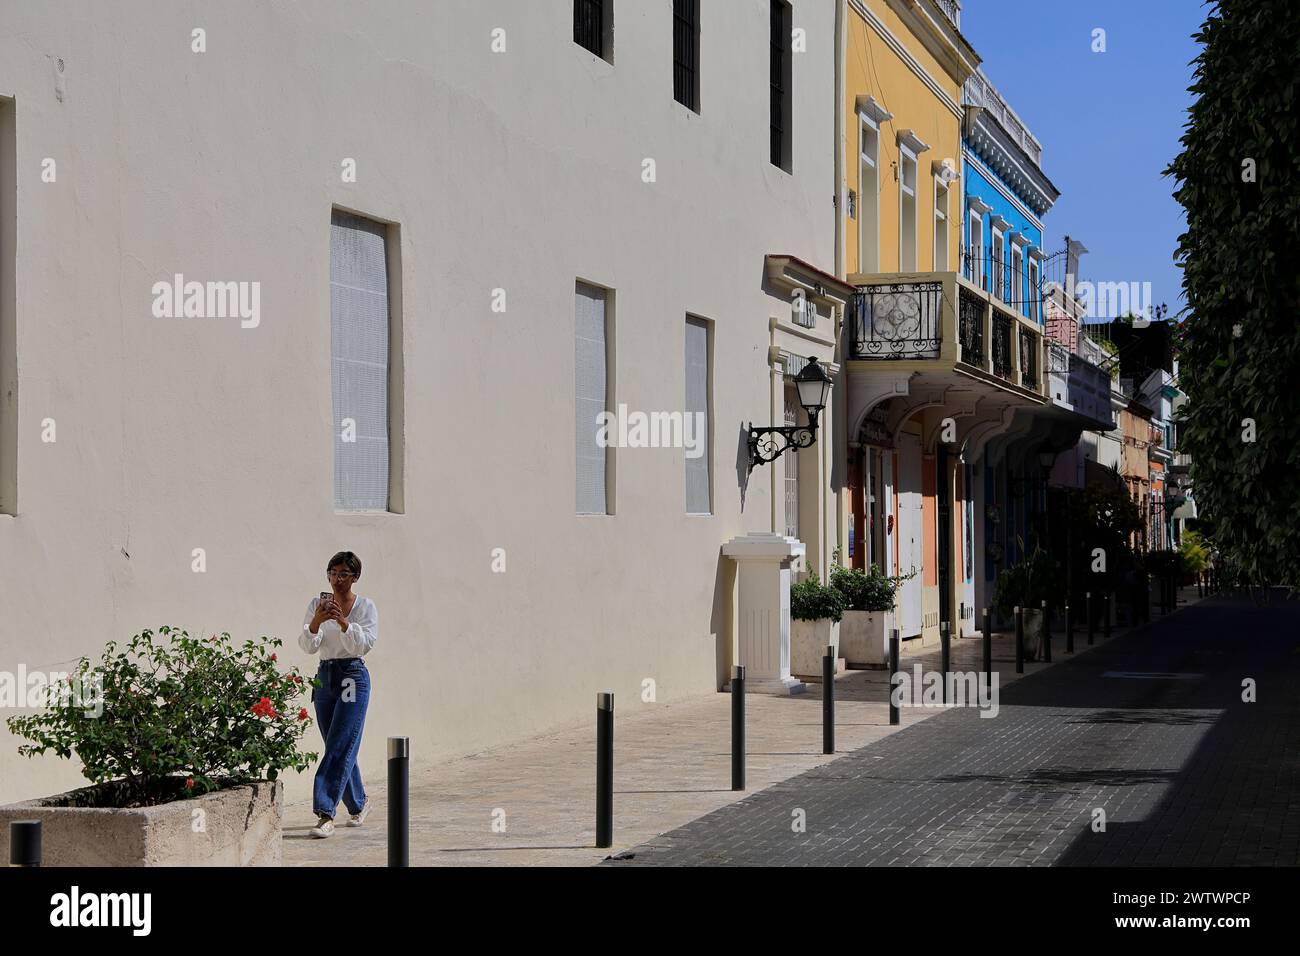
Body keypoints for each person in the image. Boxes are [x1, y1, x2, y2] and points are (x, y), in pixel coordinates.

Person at [298, 550, 378, 838]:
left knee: (340, 744)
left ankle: (325, 812)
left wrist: (343, 622)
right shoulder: (316, 604)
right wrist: (317, 621)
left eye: (344, 574)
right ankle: (359, 803)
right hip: (325, 676)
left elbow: (364, 645)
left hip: (352, 677)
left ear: (355, 577)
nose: (337, 579)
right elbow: (308, 645)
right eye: (332, 573)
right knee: (337, 743)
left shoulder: (365, 607)